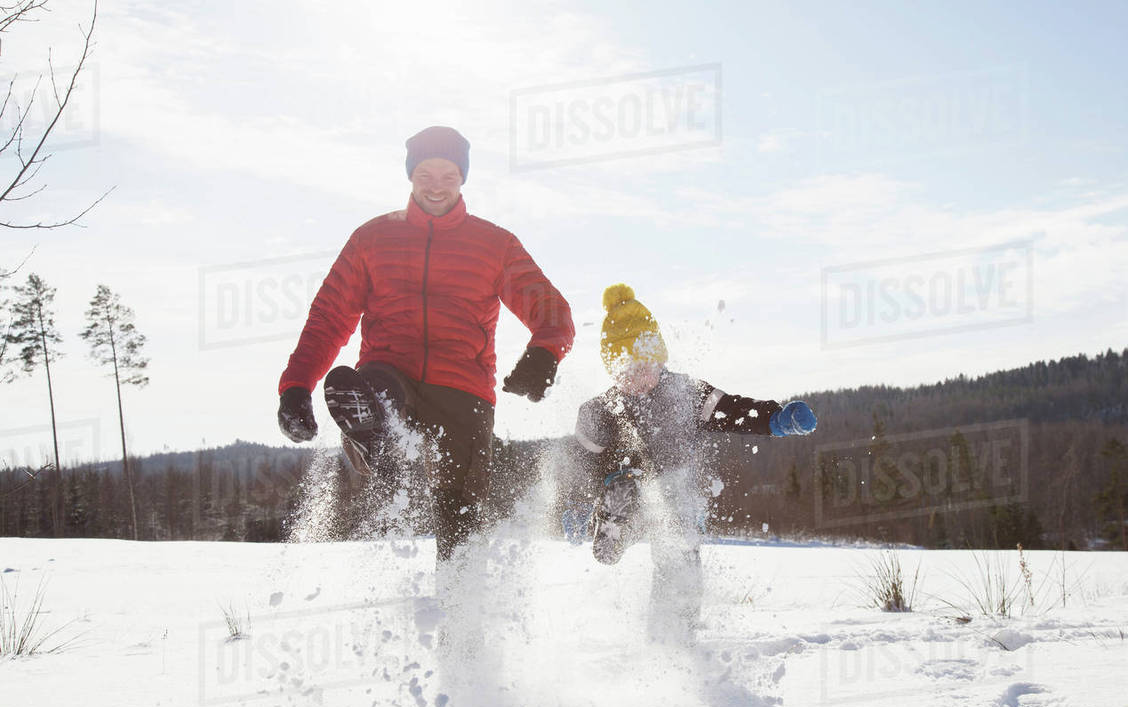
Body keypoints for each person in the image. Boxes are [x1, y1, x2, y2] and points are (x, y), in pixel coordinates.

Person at [276, 125, 575, 562]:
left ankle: (462, 598)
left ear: (462, 178)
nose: (436, 186)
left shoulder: (495, 244)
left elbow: (552, 312)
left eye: (448, 176)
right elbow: (329, 317)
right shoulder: (372, 239)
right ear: (410, 176)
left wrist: (544, 354)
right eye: (425, 176)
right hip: (389, 373)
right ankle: (379, 443)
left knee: (462, 519)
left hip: (463, 391)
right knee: (375, 390)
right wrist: (296, 386)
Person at [566, 284, 816, 645]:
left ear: (659, 360)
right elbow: (580, 461)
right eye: (625, 372)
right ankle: (611, 529)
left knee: (681, 546)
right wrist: (577, 501)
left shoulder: (686, 393)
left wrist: (775, 419)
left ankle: (673, 639)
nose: (636, 379)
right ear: (613, 372)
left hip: (673, 493)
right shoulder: (601, 410)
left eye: (643, 367)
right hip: (625, 488)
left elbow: (733, 410)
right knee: (626, 488)